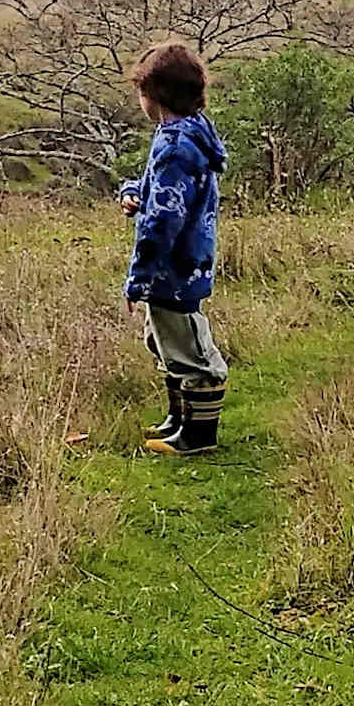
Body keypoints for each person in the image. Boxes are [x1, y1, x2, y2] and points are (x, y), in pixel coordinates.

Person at [118, 43, 229, 456]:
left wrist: (138, 278)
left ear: (155, 94)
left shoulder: (174, 146)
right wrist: (134, 191)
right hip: (184, 262)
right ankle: (178, 418)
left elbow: (163, 221)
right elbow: (162, 195)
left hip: (176, 266)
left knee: (189, 349)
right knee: (163, 339)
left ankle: (198, 436)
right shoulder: (189, 134)